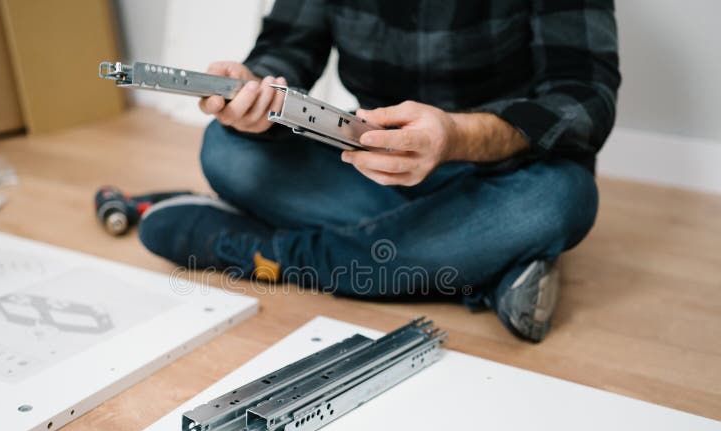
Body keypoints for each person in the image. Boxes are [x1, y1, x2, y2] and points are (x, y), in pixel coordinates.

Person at [138, 0, 621, 342]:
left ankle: (275, 256)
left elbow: (585, 97)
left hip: (495, 170)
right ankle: (483, 268)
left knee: (562, 199)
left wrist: (458, 136)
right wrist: (254, 93)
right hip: (371, 164)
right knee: (228, 151)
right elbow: (288, 46)